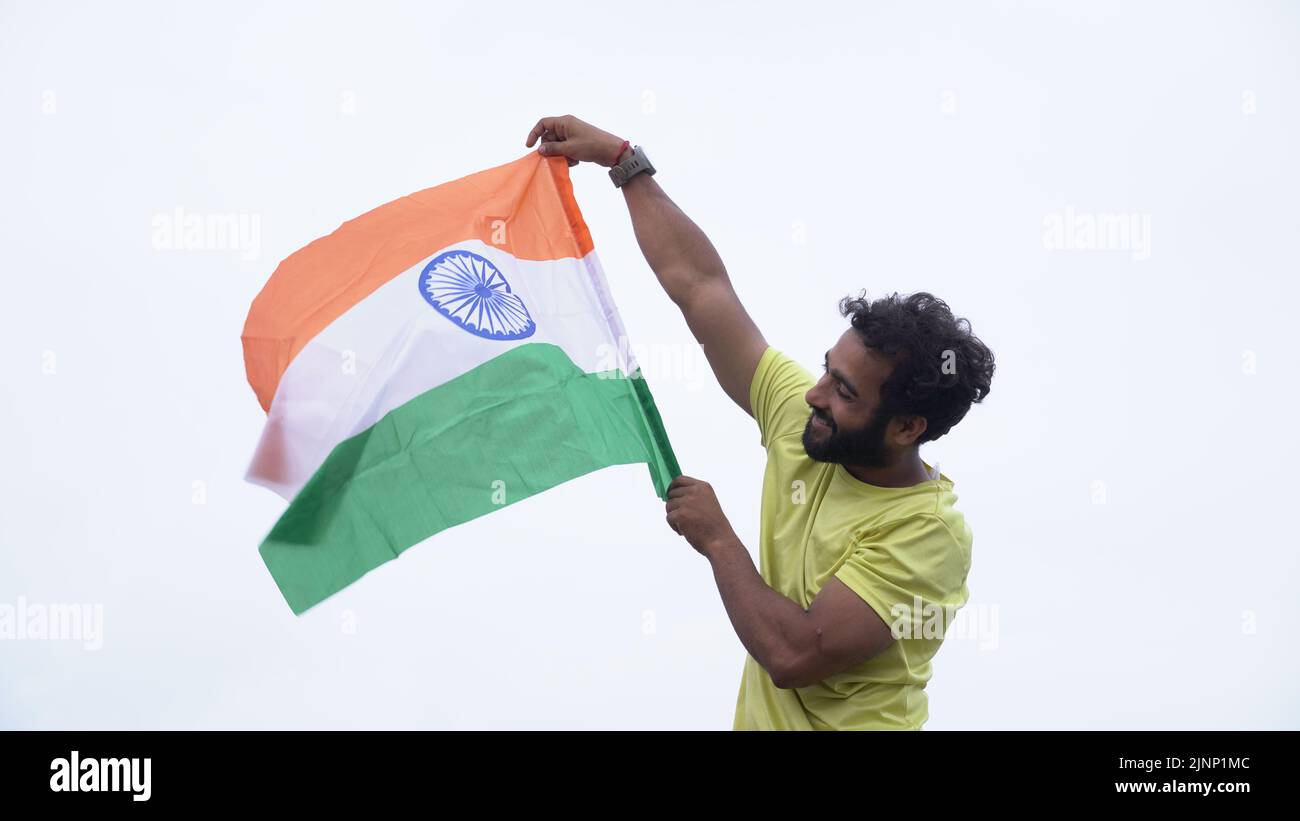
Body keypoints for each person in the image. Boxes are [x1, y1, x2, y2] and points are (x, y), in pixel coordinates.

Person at [525, 115, 996, 730]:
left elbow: (795, 653)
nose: (814, 393)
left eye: (844, 391)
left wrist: (718, 540)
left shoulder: (926, 534)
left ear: (907, 427)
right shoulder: (809, 418)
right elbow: (701, 287)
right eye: (827, 370)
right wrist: (623, 162)